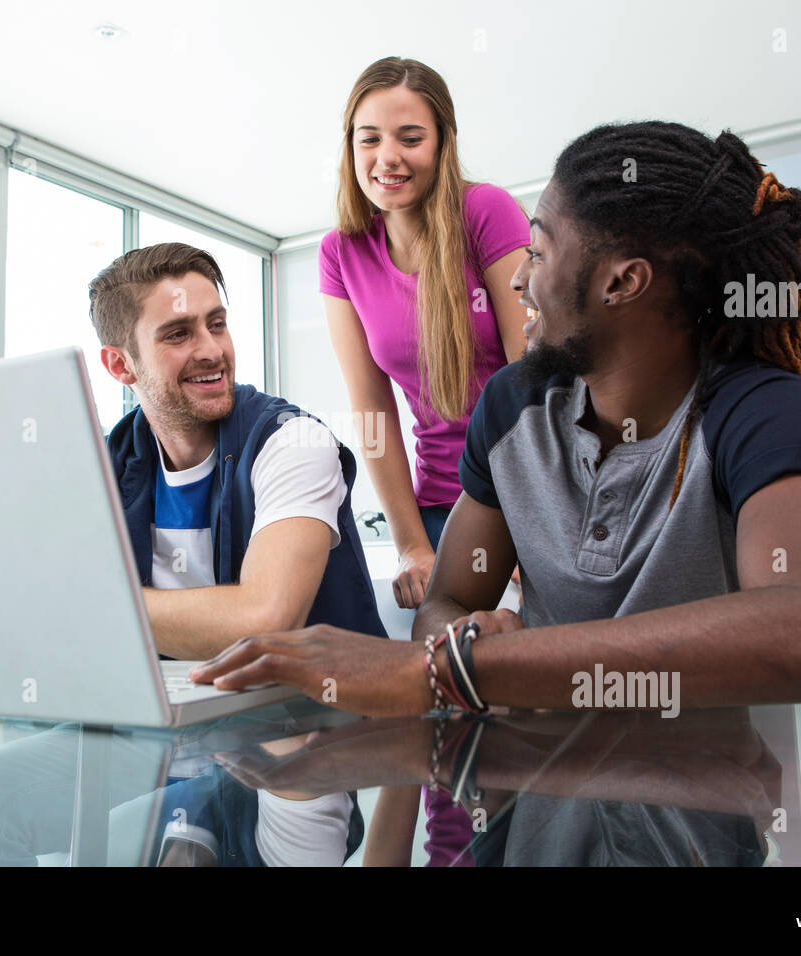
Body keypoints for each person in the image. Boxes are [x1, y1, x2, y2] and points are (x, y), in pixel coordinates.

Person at [188, 121, 801, 725]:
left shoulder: (759, 409)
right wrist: (466, 636)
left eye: (542, 248)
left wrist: (461, 671)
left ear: (623, 281)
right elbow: (452, 601)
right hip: (541, 796)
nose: (519, 279)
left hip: (711, 805)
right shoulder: (512, 404)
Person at [0, 242, 386, 866]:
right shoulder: (107, 465)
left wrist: (89, 606)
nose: (211, 349)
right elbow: (42, 612)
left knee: (159, 831)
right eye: (178, 333)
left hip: (290, 723)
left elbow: (263, 618)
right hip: (160, 722)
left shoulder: (292, 443)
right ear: (120, 364)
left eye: (216, 323)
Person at [320, 55, 530, 865]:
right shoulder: (343, 252)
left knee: (517, 701)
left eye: (411, 136)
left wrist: (523, 544)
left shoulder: (486, 214)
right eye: (370, 138)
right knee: (439, 704)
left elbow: (529, 385)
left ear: (443, 142)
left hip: (522, 491)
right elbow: (372, 414)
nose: (388, 157)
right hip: (440, 505)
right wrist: (412, 542)